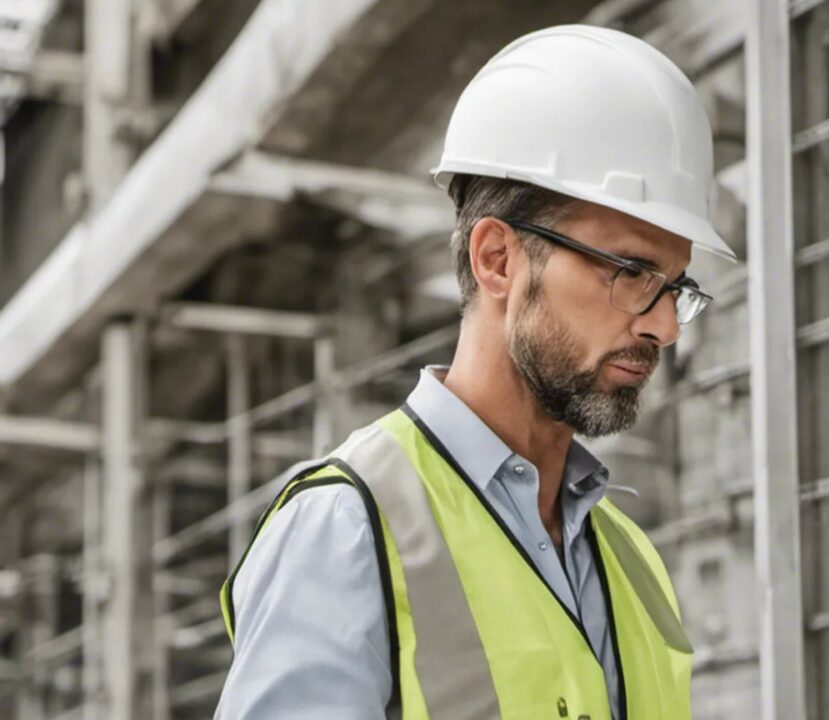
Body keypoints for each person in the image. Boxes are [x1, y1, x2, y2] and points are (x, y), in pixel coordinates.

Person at [214, 23, 736, 720]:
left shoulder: (631, 561)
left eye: (675, 286)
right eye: (633, 272)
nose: (665, 325)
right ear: (498, 260)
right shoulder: (345, 528)